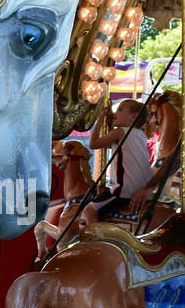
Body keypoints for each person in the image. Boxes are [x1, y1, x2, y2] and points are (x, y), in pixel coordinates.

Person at [81, 99, 153, 227]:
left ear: (133, 116)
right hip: (142, 187)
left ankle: (96, 241)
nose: (115, 113)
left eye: (120, 110)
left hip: (125, 189)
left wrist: (101, 119)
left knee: (88, 210)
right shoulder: (141, 135)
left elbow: (93, 144)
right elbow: (112, 146)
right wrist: (110, 124)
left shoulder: (120, 132)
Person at [34, 138, 91, 255]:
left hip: (79, 205)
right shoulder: (82, 195)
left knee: (46, 230)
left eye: (58, 157)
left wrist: (41, 227)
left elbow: (63, 236)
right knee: (61, 245)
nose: (55, 162)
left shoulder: (77, 204)